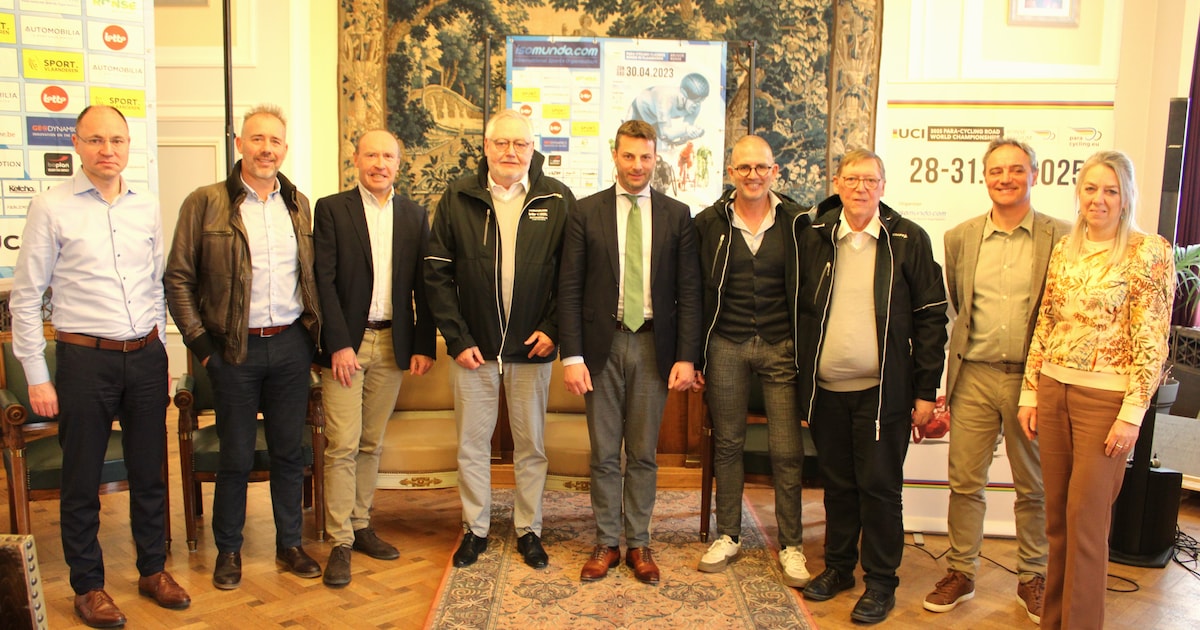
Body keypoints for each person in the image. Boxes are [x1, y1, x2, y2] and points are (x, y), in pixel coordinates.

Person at [10, 105, 190, 628]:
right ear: (77, 144)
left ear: (129, 145)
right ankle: (88, 586)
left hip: (146, 356)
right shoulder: (51, 207)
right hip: (84, 360)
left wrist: (161, 351)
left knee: (149, 472)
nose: (107, 150)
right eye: (95, 140)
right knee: (82, 478)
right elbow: (26, 298)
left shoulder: (148, 206)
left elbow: (156, 285)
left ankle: (153, 570)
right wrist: (37, 377)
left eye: (116, 140)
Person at [164, 104, 323, 590]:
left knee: (288, 453)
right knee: (234, 454)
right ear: (240, 144)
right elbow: (178, 278)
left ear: (284, 149)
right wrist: (203, 346)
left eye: (275, 141)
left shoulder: (298, 202)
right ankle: (228, 550)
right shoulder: (205, 202)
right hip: (233, 351)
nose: (266, 149)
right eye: (257, 139)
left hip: (290, 346)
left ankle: (289, 544)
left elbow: (308, 276)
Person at [1017, 150, 1173, 630]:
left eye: (1110, 190)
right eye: (1090, 189)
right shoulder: (1066, 248)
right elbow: (1044, 322)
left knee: (1087, 524)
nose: (1099, 199)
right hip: (1054, 387)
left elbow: (1152, 341)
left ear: (1126, 197)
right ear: (1078, 194)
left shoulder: (1150, 252)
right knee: (1058, 522)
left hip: (1106, 401)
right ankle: (1055, 622)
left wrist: (1132, 414)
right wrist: (1029, 393)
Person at [796, 148, 948, 625]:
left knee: (880, 488)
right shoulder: (815, 236)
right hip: (826, 391)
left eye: (871, 180)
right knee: (838, 486)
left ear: (883, 186)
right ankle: (839, 568)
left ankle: (881, 583)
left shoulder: (907, 239)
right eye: (852, 178)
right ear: (837, 183)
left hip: (885, 394)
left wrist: (926, 391)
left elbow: (931, 319)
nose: (861, 187)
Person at [924, 138, 1069, 623]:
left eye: (1016, 170)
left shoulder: (1062, 238)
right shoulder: (960, 238)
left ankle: (1033, 576)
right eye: (996, 171)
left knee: (1035, 487)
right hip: (975, 379)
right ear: (983, 177)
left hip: (1034, 384)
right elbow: (958, 309)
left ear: (1035, 174)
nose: (1005, 178)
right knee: (965, 483)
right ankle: (961, 572)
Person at [424, 109, 574, 570]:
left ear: (533, 150)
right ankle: (476, 529)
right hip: (475, 351)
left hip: (533, 349)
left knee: (531, 446)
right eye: (501, 143)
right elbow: (436, 274)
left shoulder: (558, 198)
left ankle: (529, 530)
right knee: (472, 445)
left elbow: (571, 277)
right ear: (486, 147)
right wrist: (457, 337)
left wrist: (552, 329)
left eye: (520, 144)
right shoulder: (458, 197)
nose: (511, 152)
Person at [558, 120, 702, 584]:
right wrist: (572, 356)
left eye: (645, 156)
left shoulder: (677, 215)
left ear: (655, 157)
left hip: (653, 346)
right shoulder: (585, 212)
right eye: (628, 156)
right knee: (603, 453)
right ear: (614, 155)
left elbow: (689, 291)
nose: (637, 165)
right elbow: (570, 288)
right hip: (601, 346)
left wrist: (686, 356)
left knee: (642, 453)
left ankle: (638, 542)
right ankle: (606, 542)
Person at [313, 129, 436, 587]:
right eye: (371, 154)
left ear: (399, 164)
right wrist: (337, 344)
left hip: (392, 345)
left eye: (388, 156)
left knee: (370, 443)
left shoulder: (413, 214)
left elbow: (424, 286)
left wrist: (423, 344)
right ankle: (339, 540)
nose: (379, 163)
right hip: (347, 346)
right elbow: (322, 282)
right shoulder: (331, 210)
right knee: (343, 444)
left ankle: (362, 526)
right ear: (355, 158)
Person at [692, 135, 813, 588]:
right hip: (726, 344)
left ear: (775, 171)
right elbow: (695, 290)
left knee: (786, 449)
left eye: (761, 167)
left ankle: (792, 545)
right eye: (743, 168)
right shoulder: (709, 223)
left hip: (781, 346)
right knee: (728, 444)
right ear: (731, 173)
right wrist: (694, 352)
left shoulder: (800, 221)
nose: (753, 176)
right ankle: (728, 534)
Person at [625, 72, 710, 147]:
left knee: (661, 149)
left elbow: (681, 137)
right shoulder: (665, 98)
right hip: (639, 111)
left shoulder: (696, 106)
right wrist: (686, 130)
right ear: (683, 95)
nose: (697, 105)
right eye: (695, 101)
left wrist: (692, 134)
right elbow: (666, 134)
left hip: (655, 119)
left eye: (701, 101)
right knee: (629, 143)